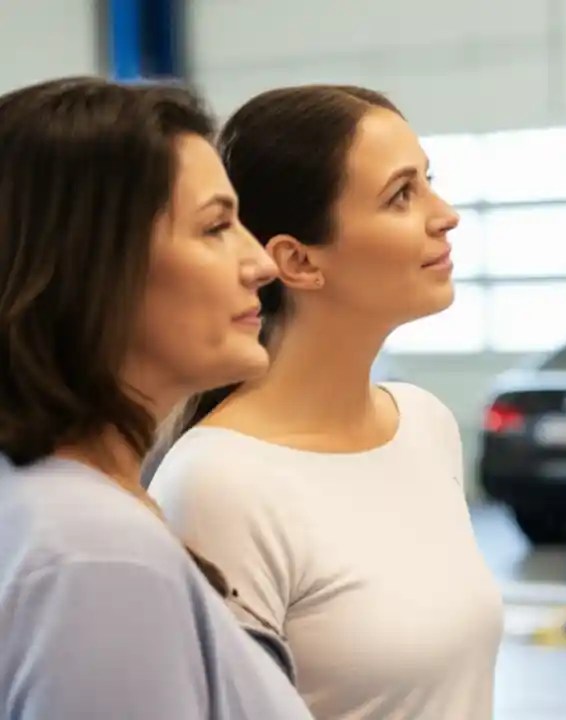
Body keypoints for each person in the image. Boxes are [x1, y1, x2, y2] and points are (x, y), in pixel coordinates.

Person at [146, 85, 504, 720]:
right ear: (297, 261)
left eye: (430, 180)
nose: (444, 213)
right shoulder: (218, 484)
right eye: (401, 195)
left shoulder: (424, 424)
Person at [0, 77, 312, 719]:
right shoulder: (98, 556)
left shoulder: (50, 507)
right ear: (92, 263)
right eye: (216, 227)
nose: (261, 263)